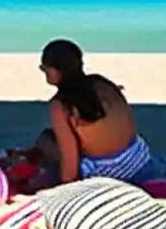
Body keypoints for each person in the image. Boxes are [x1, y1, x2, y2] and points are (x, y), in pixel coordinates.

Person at [35, 38, 154, 184]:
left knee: (46, 143)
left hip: (110, 174)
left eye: (44, 67)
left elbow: (70, 170)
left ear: (55, 69)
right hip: (140, 159)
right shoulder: (101, 83)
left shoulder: (60, 105)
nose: (43, 71)